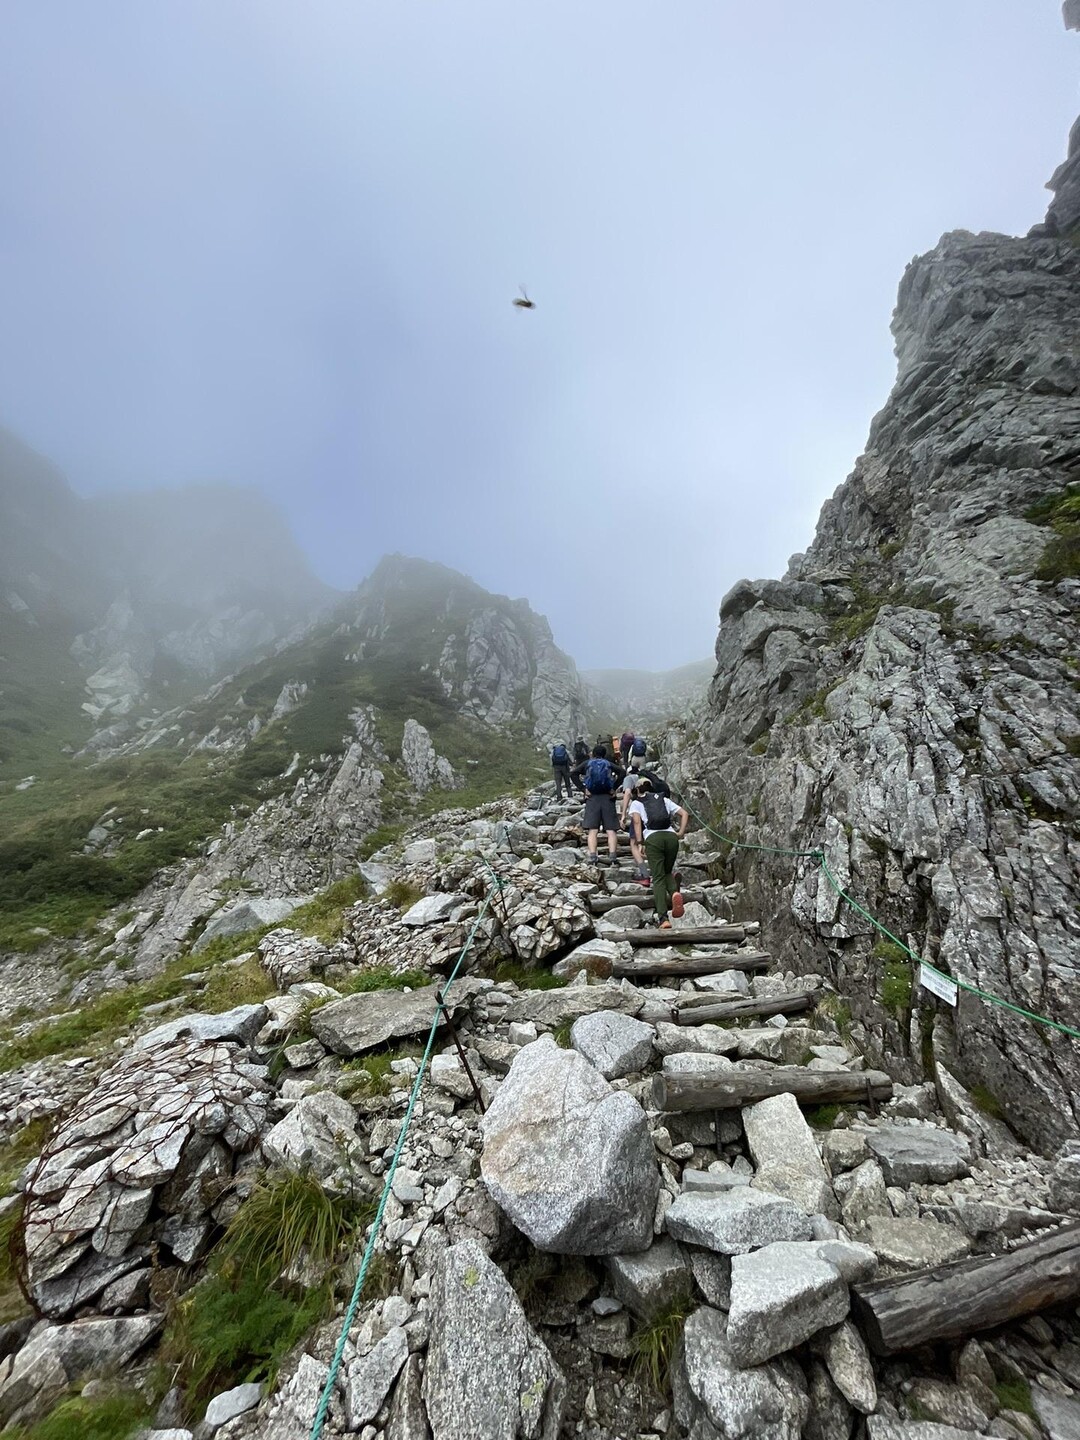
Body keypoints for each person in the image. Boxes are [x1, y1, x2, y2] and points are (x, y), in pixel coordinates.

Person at [627, 778, 689, 928]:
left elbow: (636, 821)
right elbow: (685, 813)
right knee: (667, 871)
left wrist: (640, 841)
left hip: (653, 839)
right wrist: (680, 833)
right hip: (671, 838)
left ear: (637, 789)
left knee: (658, 878)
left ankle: (663, 918)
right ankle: (674, 892)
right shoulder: (664, 800)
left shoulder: (637, 803)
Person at [579, 744, 621, 866]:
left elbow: (573, 773)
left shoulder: (587, 763)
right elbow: (622, 772)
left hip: (592, 798)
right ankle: (613, 857)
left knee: (593, 830)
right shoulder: (608, 764)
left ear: (593, 754)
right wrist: (614, 787)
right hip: (607, 798)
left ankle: (593, 857)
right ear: (604, 754)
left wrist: (583, 789)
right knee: (611, 830)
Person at [618, 761, 650, 882]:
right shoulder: (646, 777)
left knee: (634, 844)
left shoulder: (629, 778)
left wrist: (623, 814)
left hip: (638, 812)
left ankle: (644, 874)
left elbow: (627, 794)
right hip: (652, 813)